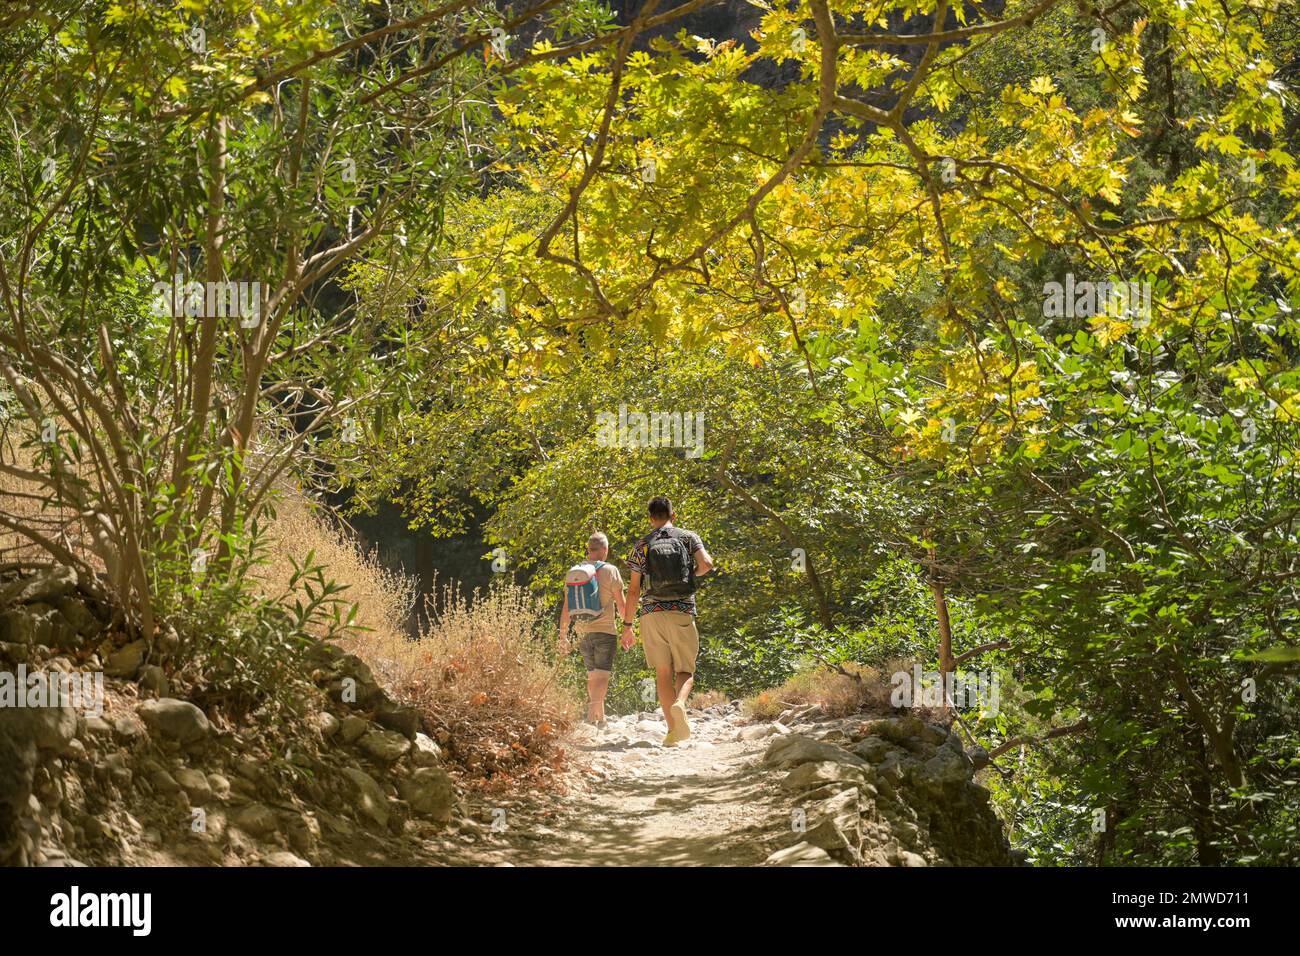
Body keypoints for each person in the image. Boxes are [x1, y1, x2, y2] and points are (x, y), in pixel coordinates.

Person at [621, 496, 713, 745]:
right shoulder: (688, 537)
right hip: (682, 610)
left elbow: (632, 590)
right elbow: (707, 563)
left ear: (651, 519)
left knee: (662, 673)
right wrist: (689, 577)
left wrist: (627, 627)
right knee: (685, 669)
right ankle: (680, 704)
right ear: (674, 515)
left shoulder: (643, 544)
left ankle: (673, 732)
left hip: (651, 613)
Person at [558, 531, 625, 727]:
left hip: (582, 633)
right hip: (605, 631)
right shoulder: (611, 570)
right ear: (604, 549)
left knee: (592, 674)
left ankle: (599, 716)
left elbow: (566, 608)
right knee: (602, 675)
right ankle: (591, 713)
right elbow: (621, 605)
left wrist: (563, 636)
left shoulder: (575, 573)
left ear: (589, 549)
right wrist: (627, 625)